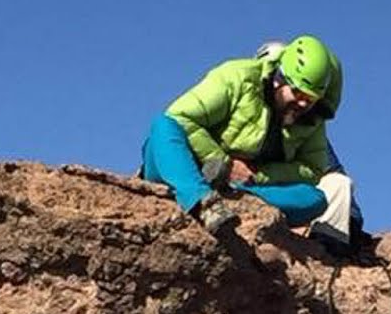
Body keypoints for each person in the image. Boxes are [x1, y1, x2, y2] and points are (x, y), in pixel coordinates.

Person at [141, 35, 358, 252]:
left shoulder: (311, 118)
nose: (303, 103)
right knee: (164, 126)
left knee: (314, 199)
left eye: (310, 99)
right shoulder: (237, 77)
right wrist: (222, 161)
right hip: (185, 170)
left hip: (241, 187)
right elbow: (180, 117)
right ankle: (201, 202)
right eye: (298, 92)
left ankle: (231, 203)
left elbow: (313, 169)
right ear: (279, 79)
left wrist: (258, 176)